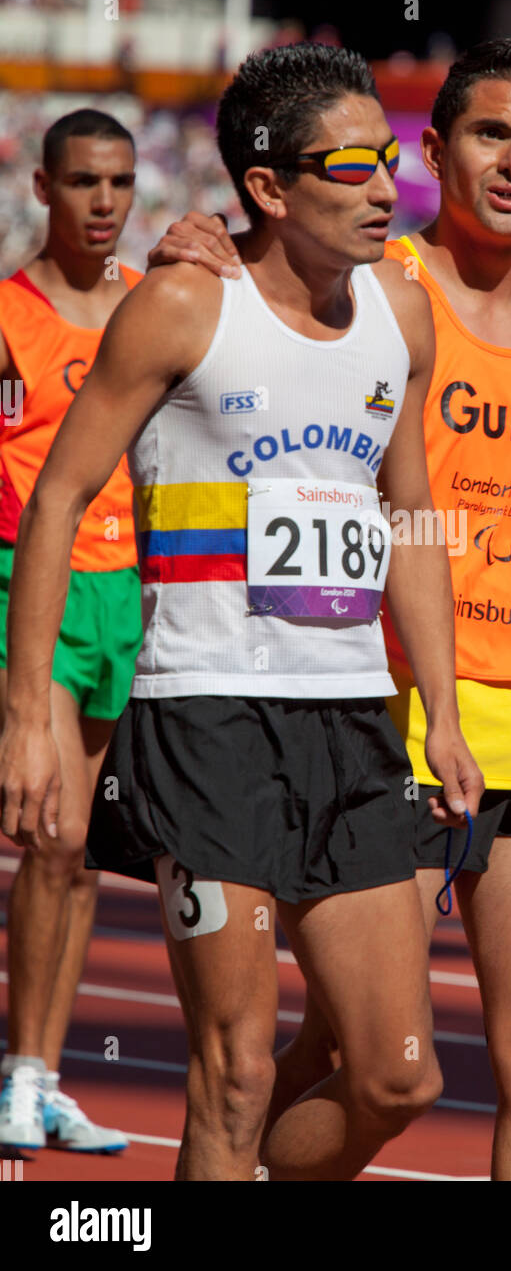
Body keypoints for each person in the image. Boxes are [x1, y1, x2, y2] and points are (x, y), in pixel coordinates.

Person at [0, 44, 483, 1182]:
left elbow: (410, 516)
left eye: (386, 161)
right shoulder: (181, 303)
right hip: (207, 720)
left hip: (352, 722)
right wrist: (29, 714)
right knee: (234, 1069)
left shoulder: (400, 318)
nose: (383, 188)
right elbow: (57, 499)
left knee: (394, 1074)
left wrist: (445, 715)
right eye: (351, 164)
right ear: (268, 187)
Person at [156, 36, 511, 1182]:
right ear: (432, 150)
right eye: (487, 134)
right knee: (359, 1056)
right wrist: (197, 241)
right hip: (394, 723)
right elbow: (248, 288)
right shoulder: (365, 286)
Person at [0, 109, 143, 1156]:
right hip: (28, 581)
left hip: (126, 594)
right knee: (44, 829)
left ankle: (36, 1077)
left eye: (120, 184)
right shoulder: (8, 313)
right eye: (84, 182)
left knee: (76, 856)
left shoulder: (153, 307)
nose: (104, 203)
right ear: (43, 188)